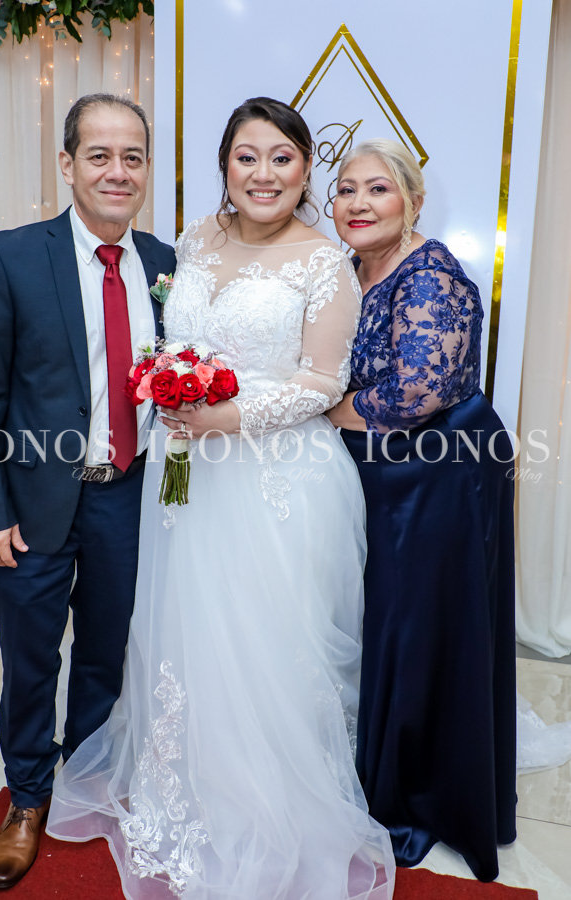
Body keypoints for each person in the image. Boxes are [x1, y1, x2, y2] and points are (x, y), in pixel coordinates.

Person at [47, 97, 395, 899]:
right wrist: (169, 385)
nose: (262, 174)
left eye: (281, 158)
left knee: (265, 643)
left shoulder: (324, 262)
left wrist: (225, 417)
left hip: (276, 484)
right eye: (246, 156)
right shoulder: (194, 239)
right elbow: (173, 341)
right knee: (185, 629)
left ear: (304, 170)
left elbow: (323, 381)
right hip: (186, 477)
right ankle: (189, 778)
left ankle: (264, 805)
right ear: (224, 166)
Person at [0, 93, 176, 890]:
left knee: (106, 652)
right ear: (67, 164)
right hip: (30, 501)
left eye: (132, 157)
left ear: (146, 170)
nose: (118, 172)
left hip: (128, 494)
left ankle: (86, 776)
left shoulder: (165, 263)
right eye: (99, 155)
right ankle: (27, 795)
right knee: (29, 660)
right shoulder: (11, 255)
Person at [328, 138, 517, 882]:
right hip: (391, 472)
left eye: (378, 189)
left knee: (422, 630)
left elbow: (414, 392)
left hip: (439, 472)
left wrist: (316, 409)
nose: (359, 203)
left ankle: (419, 796)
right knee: (396, 624)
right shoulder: (352, 268)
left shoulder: (430, 275)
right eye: (346, 189)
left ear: (412, 200)